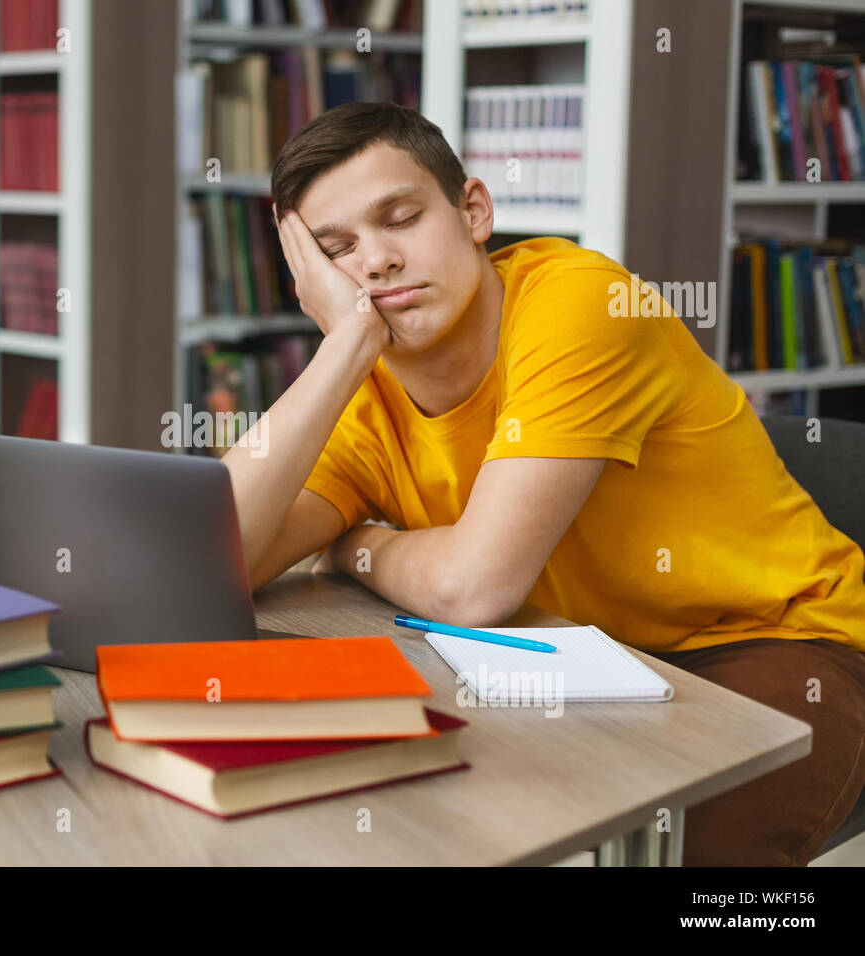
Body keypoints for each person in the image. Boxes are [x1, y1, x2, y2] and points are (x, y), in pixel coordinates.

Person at [219, 100, 865, 866]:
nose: (377, 261)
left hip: (776, 643)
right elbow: (211, 561)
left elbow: (475, 590)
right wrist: (342, 349)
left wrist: (360, 548)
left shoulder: (578, 304)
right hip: (573, 656)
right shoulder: (360, 383)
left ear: (473, 211)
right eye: (337, 249)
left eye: (400, 218)